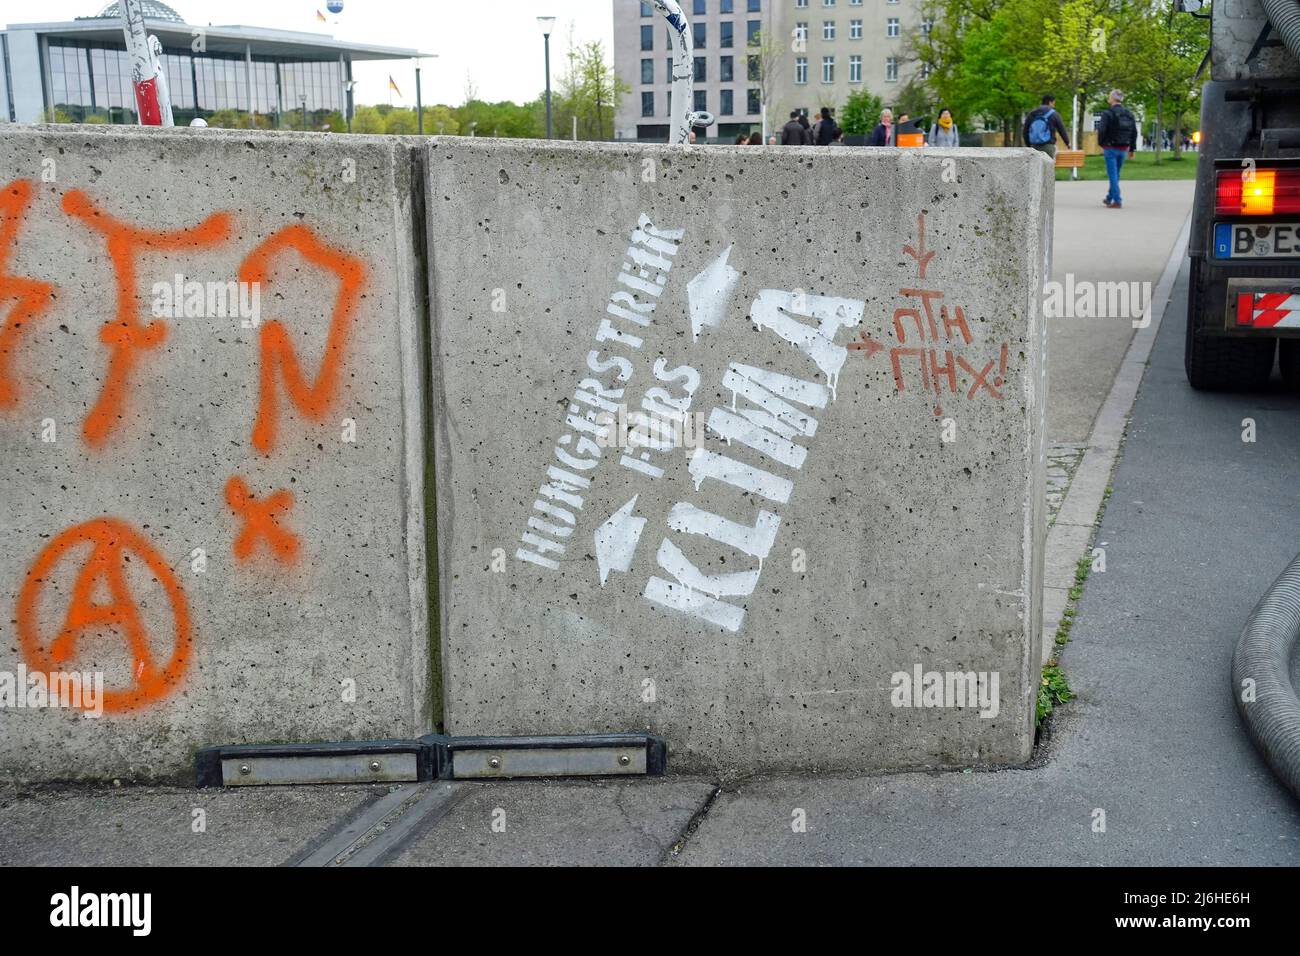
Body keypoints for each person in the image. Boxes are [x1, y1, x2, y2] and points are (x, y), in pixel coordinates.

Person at [1097, 88, 1138, 209]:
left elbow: (1102, 130)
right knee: (1116, 174)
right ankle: (1109, 197)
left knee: (1113, 175)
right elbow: (1134, 132)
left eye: (1109, 96)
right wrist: (1132, 149)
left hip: (1110, 147)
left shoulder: (1107, 113)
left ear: (1113, 99)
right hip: (1124, 147)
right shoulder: (1129, 114)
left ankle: (1117, 200)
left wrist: (1101, 144)